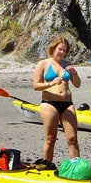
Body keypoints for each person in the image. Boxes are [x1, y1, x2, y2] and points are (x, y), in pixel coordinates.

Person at [32, 35, 81, 164]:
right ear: (53, 48)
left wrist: (74, 74)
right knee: (50, 138)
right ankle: (47, 166)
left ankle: (75, 167)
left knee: (72, 138)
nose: (62, 52)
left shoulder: (67, 65)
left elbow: (77, 84)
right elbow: (36, 86)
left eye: (64, 50)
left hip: (67, 104)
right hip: (49, 103)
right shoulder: (43, 63)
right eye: (60, 49)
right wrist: (51, 83)